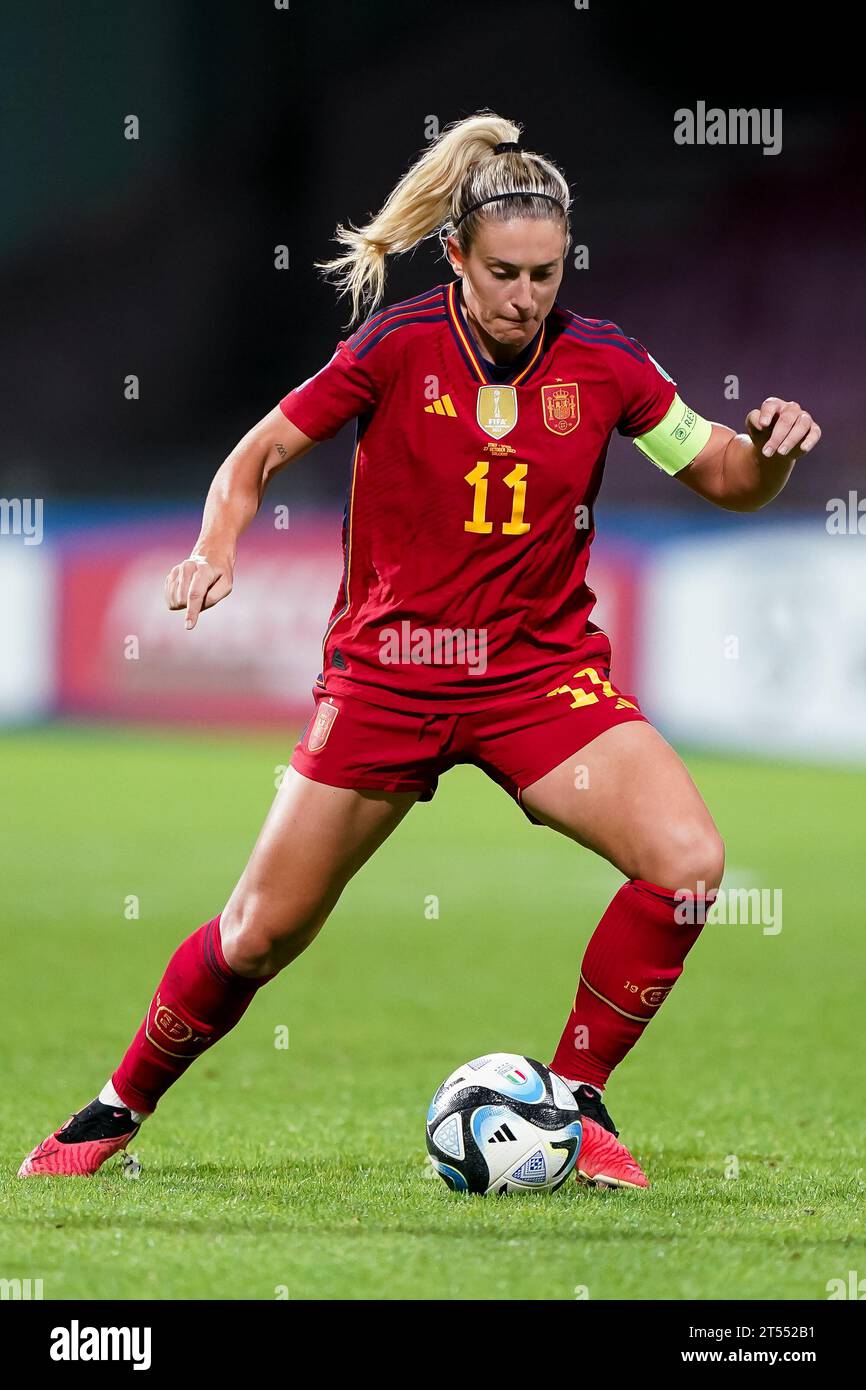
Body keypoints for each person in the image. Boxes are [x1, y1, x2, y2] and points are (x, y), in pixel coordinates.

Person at [19, 112, 820, 1188]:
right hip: (388, 680)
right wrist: (216, 544)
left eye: (542, 273)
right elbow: (256, 452)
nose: (523, 296)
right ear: (454, 256)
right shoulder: (394, 347)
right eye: (502, 272)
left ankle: (576, 1105)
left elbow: (722, 475)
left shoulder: (607, 365)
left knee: (685, 869)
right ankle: (113, 1110)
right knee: (257, 935)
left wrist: (764, 455)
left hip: (539, 681)